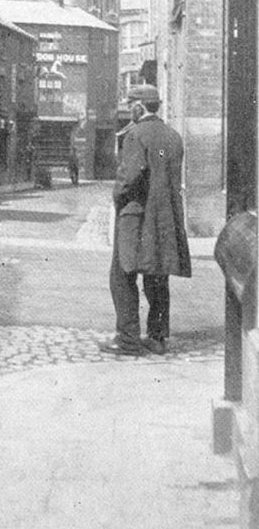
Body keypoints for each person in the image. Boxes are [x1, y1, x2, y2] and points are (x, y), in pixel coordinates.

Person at [100, 84, 191, 356]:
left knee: (121, 276)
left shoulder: (135, 135)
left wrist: (117, 197)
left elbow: (130, 176)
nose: (130, 111)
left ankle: (128, 339)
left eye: (131, 106)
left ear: (140, 107)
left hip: (136, 219)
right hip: (164, 220)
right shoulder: (172, 138)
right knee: (157, 277)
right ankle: (157, 337)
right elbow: (161, 167)